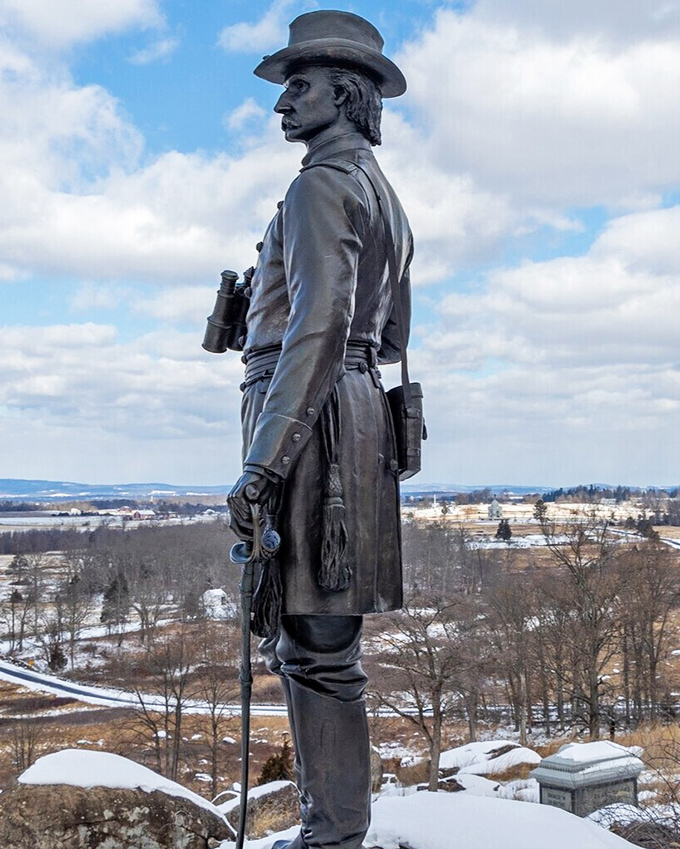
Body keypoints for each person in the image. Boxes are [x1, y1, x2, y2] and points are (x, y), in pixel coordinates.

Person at [227, 11, 413, 849]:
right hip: (355, 416)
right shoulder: (386, 198)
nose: (282, 105)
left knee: (314, 651)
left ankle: (331, 836)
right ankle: (336, 829)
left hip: (312, 429)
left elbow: (318, 327)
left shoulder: (316, 186)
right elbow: (386, 335)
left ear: (344, 93)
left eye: (296, 88)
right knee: (327, 649)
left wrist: (264, 460)